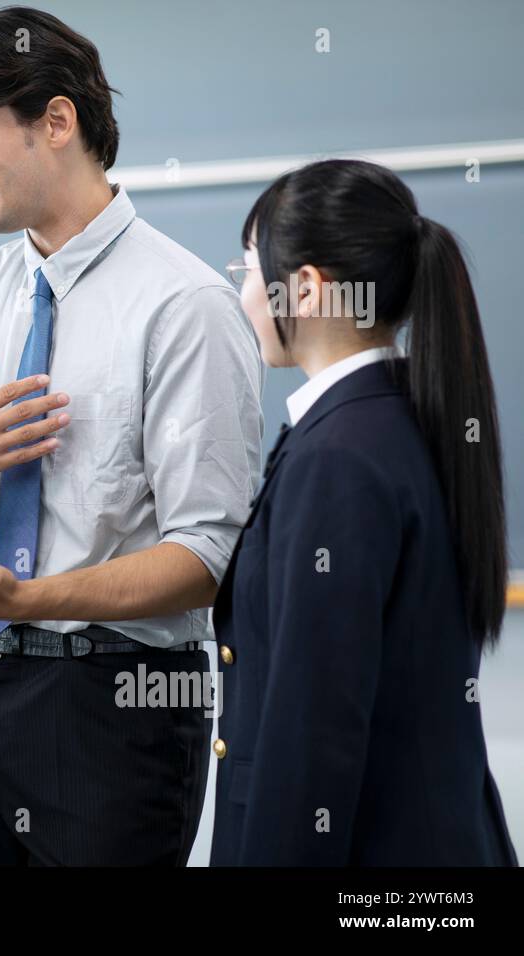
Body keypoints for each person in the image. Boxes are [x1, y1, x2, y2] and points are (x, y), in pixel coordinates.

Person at [0, 7, 264, 865]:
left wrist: (27, 600)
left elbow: (205, 557)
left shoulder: (185, 306)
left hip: (119, 700)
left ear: (56, 121)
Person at [209, 158, 518, 866]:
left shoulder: (337, 458)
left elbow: (313, 726)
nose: (244, 292)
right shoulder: (406, 419)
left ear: (309, 288)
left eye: (251, 270)